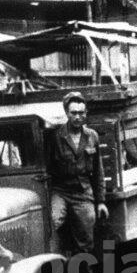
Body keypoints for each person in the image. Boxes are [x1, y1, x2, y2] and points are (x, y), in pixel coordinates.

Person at [46, 92, 108, 255]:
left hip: (83, 192)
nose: (78, 117)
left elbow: (98, 170)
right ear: (67, 113)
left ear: (86, 113)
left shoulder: (92, 136)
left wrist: (101, 201)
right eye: (74, 113)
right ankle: (57, 259)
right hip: (61, 191)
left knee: (87, 230)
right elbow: (47, 167)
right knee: (52, 222)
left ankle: (83, 265)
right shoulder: (55, 136)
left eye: (81, 113)